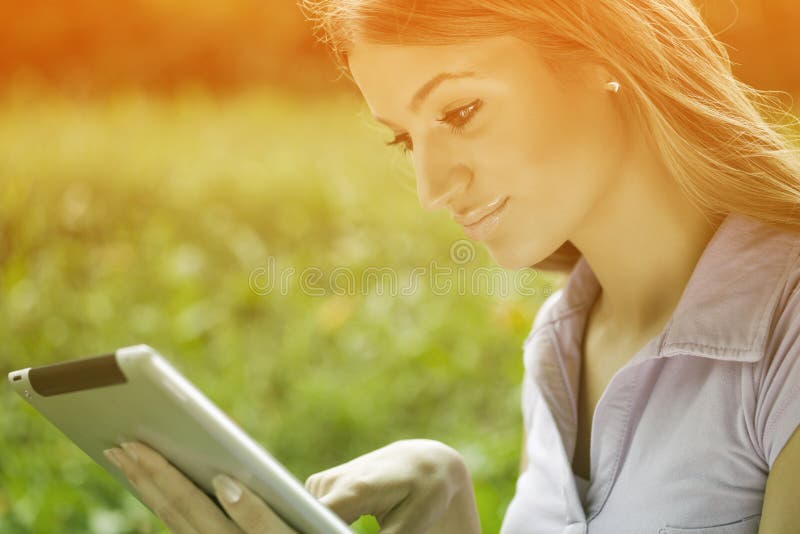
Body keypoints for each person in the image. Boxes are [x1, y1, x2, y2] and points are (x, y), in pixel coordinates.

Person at [102, 1, 800, 532]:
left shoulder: (786, 329)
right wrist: (446, 509)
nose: (431, 189)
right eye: (406, 141)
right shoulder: (561, 343)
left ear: (598, 52)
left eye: (461, 111)